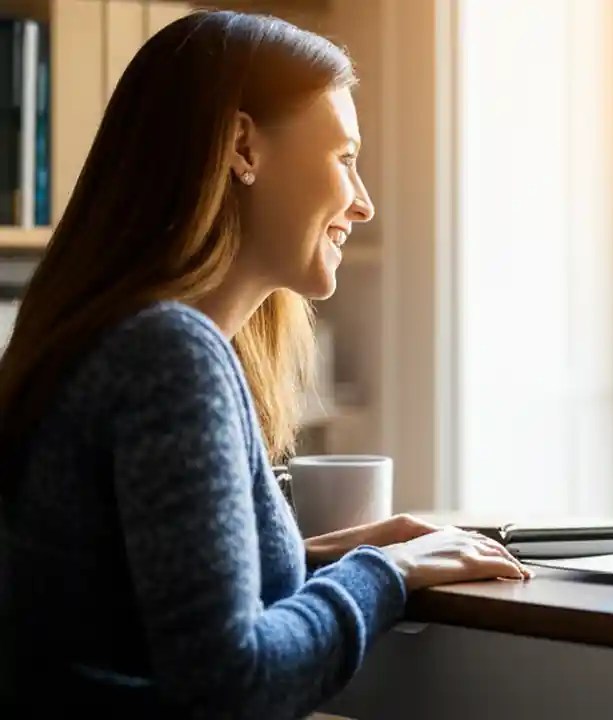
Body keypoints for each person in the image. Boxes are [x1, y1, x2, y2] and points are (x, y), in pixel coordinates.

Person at [0, 11, 529, 718]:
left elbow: (138, 608)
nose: (363, 203)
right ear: (243, 146)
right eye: (345, 158)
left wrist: (319, 556)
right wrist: (387, 571)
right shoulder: (169, 354)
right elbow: (231, 685)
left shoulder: (110, 336)